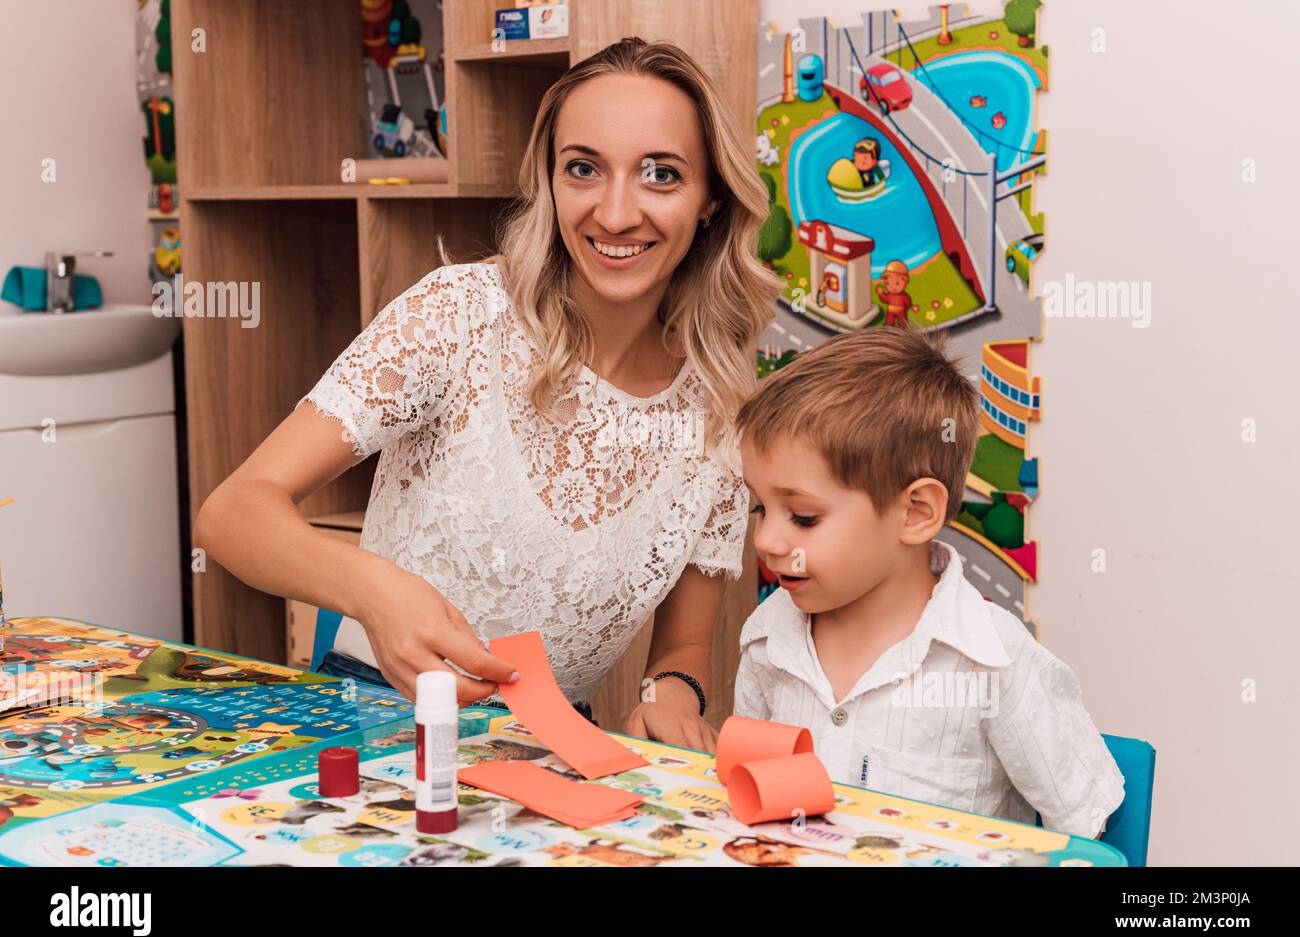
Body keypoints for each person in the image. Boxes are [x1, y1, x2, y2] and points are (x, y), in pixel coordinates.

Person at [193, 38, 782, 750]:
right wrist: (373, 589)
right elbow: (232, 512)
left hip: (552, 754)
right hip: (368, 727)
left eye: (660, 174)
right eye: (584, 169)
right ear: (551, 180)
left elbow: (684, 652)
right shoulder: (458, 316)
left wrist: (671, 697)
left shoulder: (719, 417)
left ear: (711, 198)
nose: (616, 212)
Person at [731, 328, 1124, 838]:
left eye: (802, 517)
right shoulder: (768, 638)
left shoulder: (994, 660)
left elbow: (1085, 826)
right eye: (761, 508)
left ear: (915, 512)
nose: (767, 540)